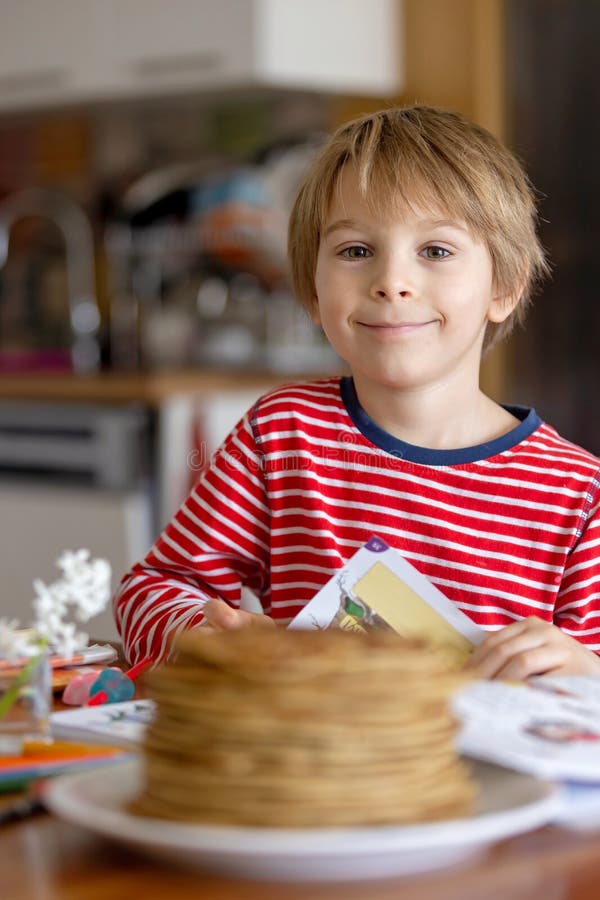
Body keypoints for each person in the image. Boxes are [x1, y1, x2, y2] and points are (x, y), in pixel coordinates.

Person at [114, 105, 600, 680]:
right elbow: (154, 589)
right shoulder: (280, 434)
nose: (391, 281)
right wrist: (211, 637)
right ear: (314, 291)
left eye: (436, 251)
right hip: (314, 762)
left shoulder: (577, 494)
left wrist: (584, 674)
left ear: (505, 287)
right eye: (355, 251)